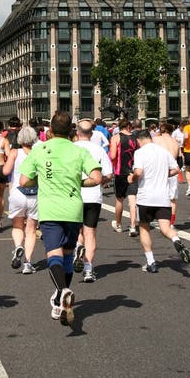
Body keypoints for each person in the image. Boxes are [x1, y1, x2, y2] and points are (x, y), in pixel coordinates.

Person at [19, 112, 102, 326]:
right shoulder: (78, 150)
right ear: (71, 132)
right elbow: (97, 178)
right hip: (74, 209)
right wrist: (79, 183)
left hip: (51, 210)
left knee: (53, 254)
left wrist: (41, 179)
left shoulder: (40, 150)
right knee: (66, 255)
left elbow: (24, 180)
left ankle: (63, 290)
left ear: (50, 131)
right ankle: (60, 302)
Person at [130, 130, 190, 273]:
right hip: (163, 197)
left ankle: (151, 261)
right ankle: (176, 240)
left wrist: (131, 178)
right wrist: (164, 174)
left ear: (139, 140)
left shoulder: (140, 153)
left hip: (146, 197)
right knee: (166, 229)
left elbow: (138, 172)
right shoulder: (164, 152)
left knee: (144, 228)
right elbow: (176, 169)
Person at [73, 120, 113, 282]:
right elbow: (109, 174)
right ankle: (88, 269)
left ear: (77, 132)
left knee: (76, 230)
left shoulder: (71, 148)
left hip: (73, 195)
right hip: (93, 196)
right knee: (90, 233)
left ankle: (77, 247)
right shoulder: (98, 150)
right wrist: (100, 182)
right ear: (91, 133)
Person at [2, 126, 39, 274]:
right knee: (31, 230)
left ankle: (18, 246)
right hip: (35, 194)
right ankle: (28, 263)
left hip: (17, 192)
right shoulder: (39, 153)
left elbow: (5, 171)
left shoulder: (14, 152)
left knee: (17, 226)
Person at [108, 118, 139, 235]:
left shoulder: (116, 137)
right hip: (132, 171)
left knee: (119, 200)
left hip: (120, 172)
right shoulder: (136, 138)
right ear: (129, 126)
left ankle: (119, 224)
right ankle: (132, 226)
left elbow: (113, 155)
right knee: (132, 200)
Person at [153, 121, 181, 226]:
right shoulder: (175, 142)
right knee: (172, 199)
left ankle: (160, 219)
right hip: (173, 170)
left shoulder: (156, 140)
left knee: (158, 196)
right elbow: (180, 160)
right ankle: (171, 222)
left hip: (159, 170)